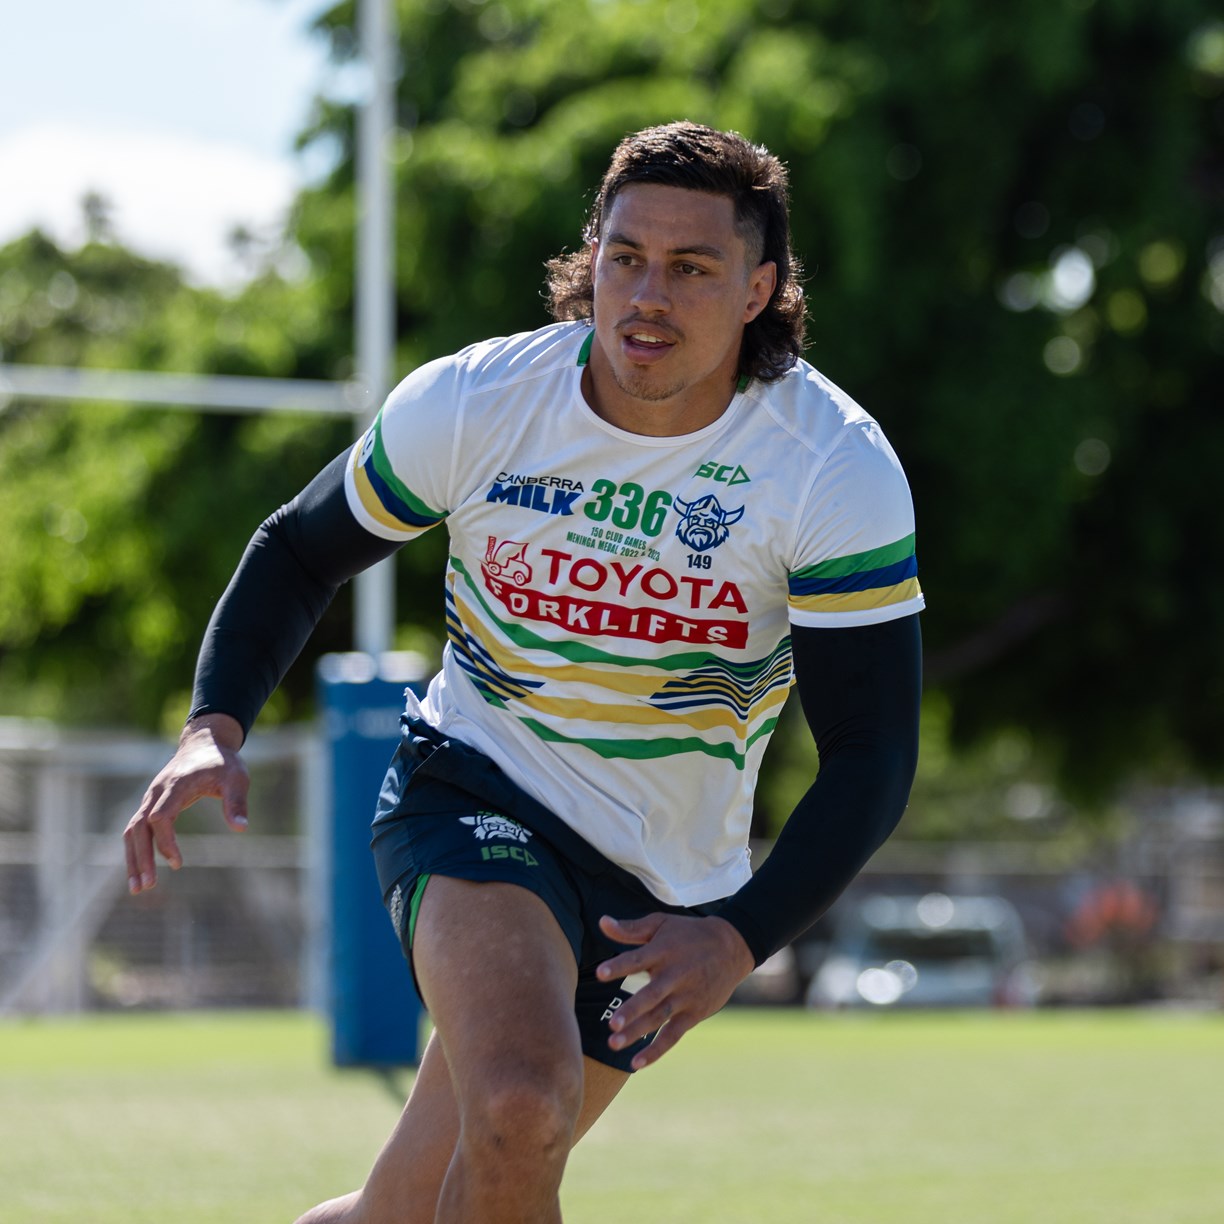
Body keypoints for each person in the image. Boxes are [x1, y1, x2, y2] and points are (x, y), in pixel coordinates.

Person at [124, 121, 924, 1223]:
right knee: (519, 1101)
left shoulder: (829, 466)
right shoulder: (482, 402)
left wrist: (739, 934)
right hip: (477, 787)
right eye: (625, 256)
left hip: (660, 883)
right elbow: (301, 548)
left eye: (692, 269)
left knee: (404, 1209)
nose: (647, 294)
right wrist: (214, 723)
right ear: (589, 259)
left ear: (758, 290)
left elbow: (874, 753)